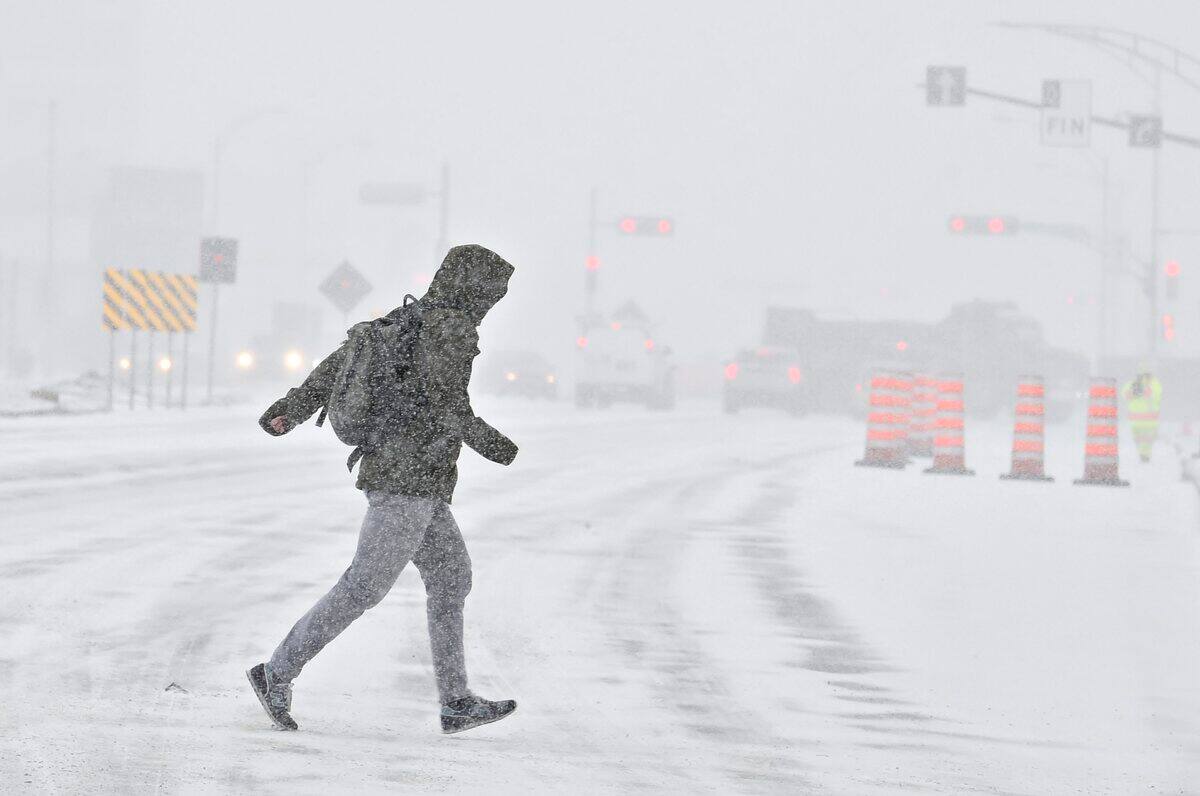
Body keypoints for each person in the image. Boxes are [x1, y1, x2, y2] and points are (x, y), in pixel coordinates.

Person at [246, 244, 519, 734]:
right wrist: (492, 444)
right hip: (407, 480)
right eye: (493, 290)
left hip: (413, 478)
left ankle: (455, 700)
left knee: (451, 577)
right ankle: (277, 672)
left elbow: (338, 364)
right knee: (364, 587)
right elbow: (442, 402)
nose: (494, 300)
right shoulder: (449, 328)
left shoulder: (407, 318)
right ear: (474, 287)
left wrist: (293, 406)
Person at [1123, 368, 1163, 463]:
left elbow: (1154, 395)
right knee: (1143, 440)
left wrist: (1139, 391)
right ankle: (1144, 454)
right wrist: (1136, 391)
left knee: (1145, 440)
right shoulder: (1153, 384)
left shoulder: (1153, 385)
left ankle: (1144, 455)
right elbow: (1126, 395)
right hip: (1143, 421)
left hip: (1145, 421)